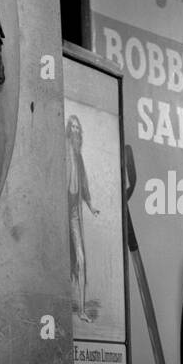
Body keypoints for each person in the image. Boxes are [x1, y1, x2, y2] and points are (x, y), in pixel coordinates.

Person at [66, 115, 100, 322]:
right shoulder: (62, 150)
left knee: (81, 259)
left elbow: (84, 185)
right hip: (60, 212)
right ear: (68, 130)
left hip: (74, 214)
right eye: (73, 127)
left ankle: (81, 311)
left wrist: (91, 206)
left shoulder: (78, 156)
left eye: (78, 128)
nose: (76, 131)